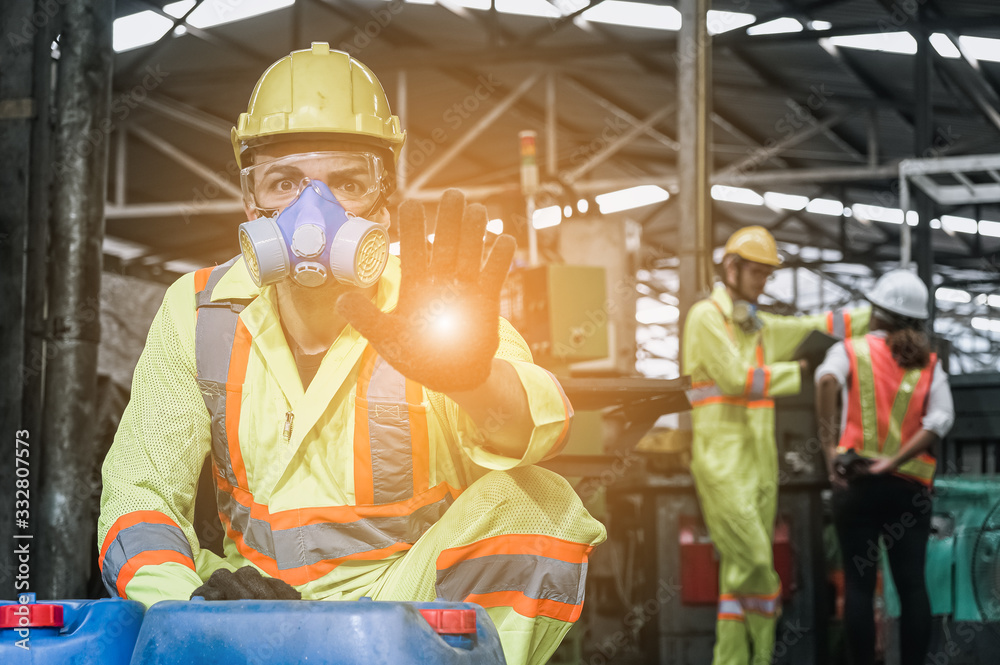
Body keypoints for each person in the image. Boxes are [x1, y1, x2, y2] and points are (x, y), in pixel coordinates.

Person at [97, 43, 605, 665]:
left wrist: (473, 381)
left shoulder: (430, 308)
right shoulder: (199, 311)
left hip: (400, 619)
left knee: (542, 507)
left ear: (384, 199)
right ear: (249, 198)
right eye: (284, 182)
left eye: (347, 182)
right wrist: (196, 612)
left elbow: (537, 429)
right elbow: (138, 492)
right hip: (247, 608)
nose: (316, 212)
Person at [682, 226, 870, 665]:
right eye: (757, 273)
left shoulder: (758, 327)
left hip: (760, 465)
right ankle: (764, 655)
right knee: (756, 567)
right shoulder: (705, 317)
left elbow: (813, 325)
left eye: (768, 275)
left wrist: (874, 313)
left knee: (735, 576)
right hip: (722, 465)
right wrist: (799, 372)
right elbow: (735, 379)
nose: (764, 283)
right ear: (731, 268)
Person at [815, 269, 953, 665]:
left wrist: (828, 452)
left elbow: (825, 382)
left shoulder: (850, 350)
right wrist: (893, 462)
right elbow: (941, 420)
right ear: (918, 321)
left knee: (859, 586)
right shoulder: (929, 364)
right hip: (908, 490)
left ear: (875, 312)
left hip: (856, 484)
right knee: (912, 586)